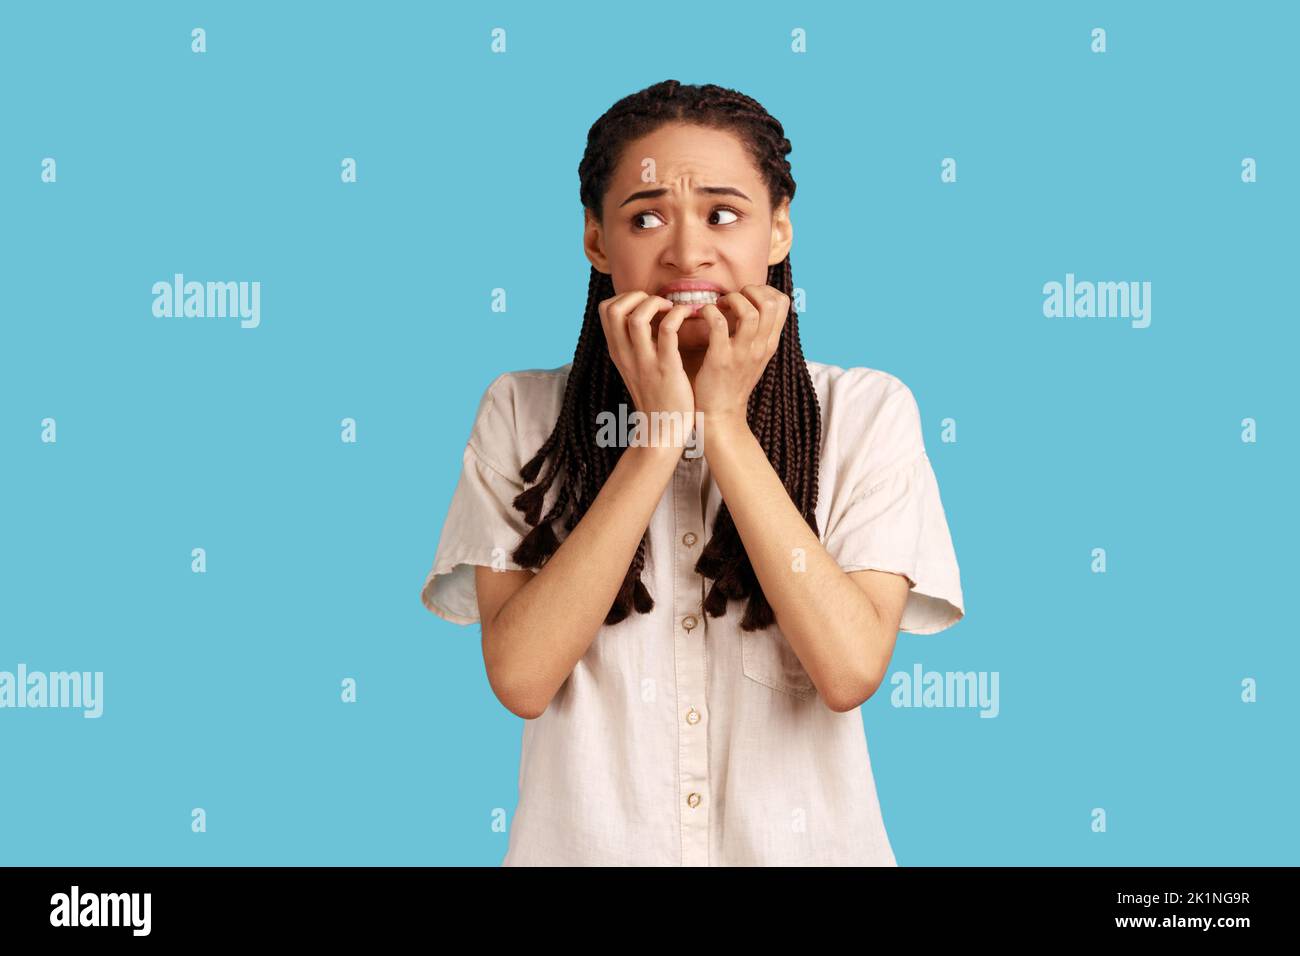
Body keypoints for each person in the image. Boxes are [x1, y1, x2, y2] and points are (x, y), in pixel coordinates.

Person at [420, 79, 965, 866]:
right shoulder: (520, 412)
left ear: (778, 230)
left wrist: (726, 430)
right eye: (645, 218)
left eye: (722, 213)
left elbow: (848, 670)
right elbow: (522, 679)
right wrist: (657, 439)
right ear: (596, 241)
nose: (685, 252)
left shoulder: (866, 412)